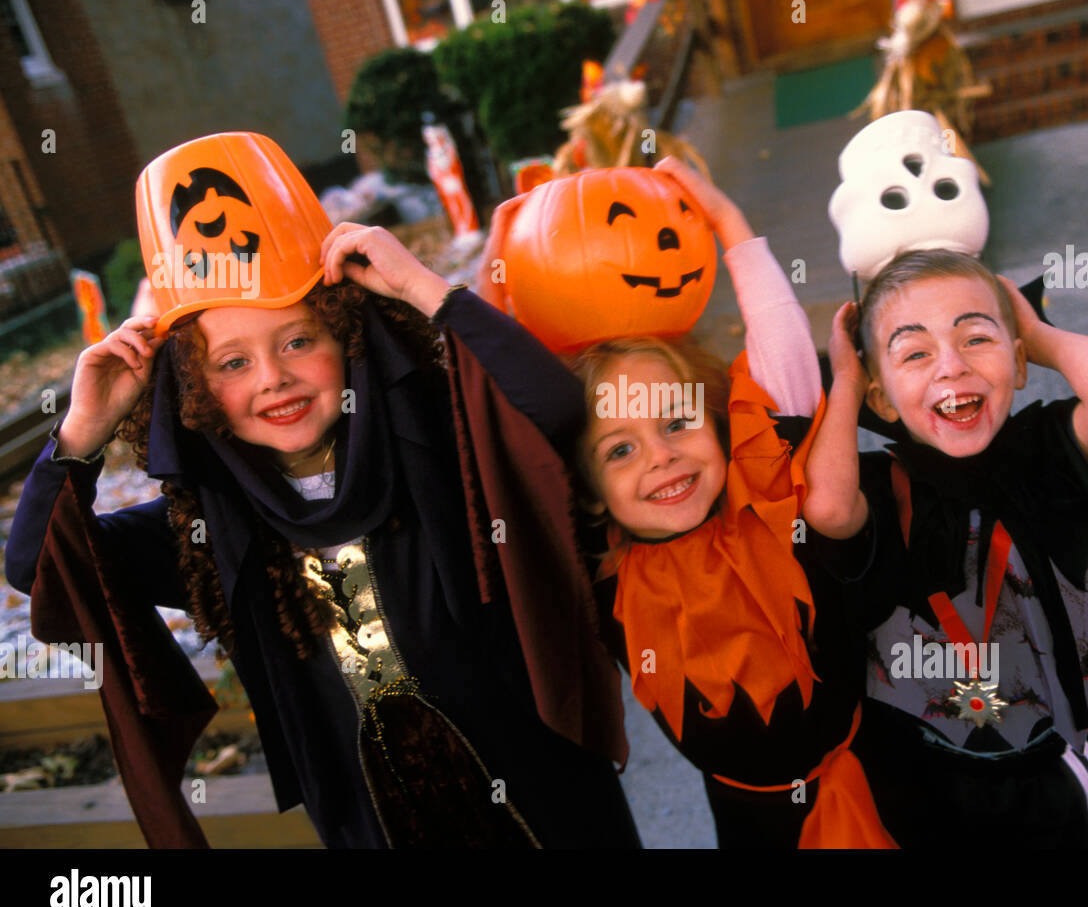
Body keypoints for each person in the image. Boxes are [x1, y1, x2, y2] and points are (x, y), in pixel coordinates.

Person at [4, 132, 638, 849]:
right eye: (233, 362)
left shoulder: (439, 447)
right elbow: (37, 566)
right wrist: (81, 435)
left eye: (299, 340)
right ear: (198, 391)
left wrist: (421, 288)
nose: (272, 377)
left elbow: (553, 411)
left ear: (348, 335)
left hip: (551, 809)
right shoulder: (209, 531)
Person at [805, 247, 1088, 848]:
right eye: (915, 353)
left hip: (1055, 763)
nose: (951, 368)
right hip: (928, 768)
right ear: (880, 399)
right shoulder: (880, 490)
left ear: (1017, 364)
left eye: (976, 339)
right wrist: (849, 381)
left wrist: (1034, 334)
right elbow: (827, 509)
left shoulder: (1046, 454)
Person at [568, 158, 896, 848]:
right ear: (589, 494)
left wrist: (729, 224)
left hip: (883, 782)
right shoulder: (603, 578)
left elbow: (778, 351)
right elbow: (500, 432)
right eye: (619, 449)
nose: (660, 456)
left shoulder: (771, 498)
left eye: (675, 421)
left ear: (717, 421)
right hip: (750, 825)